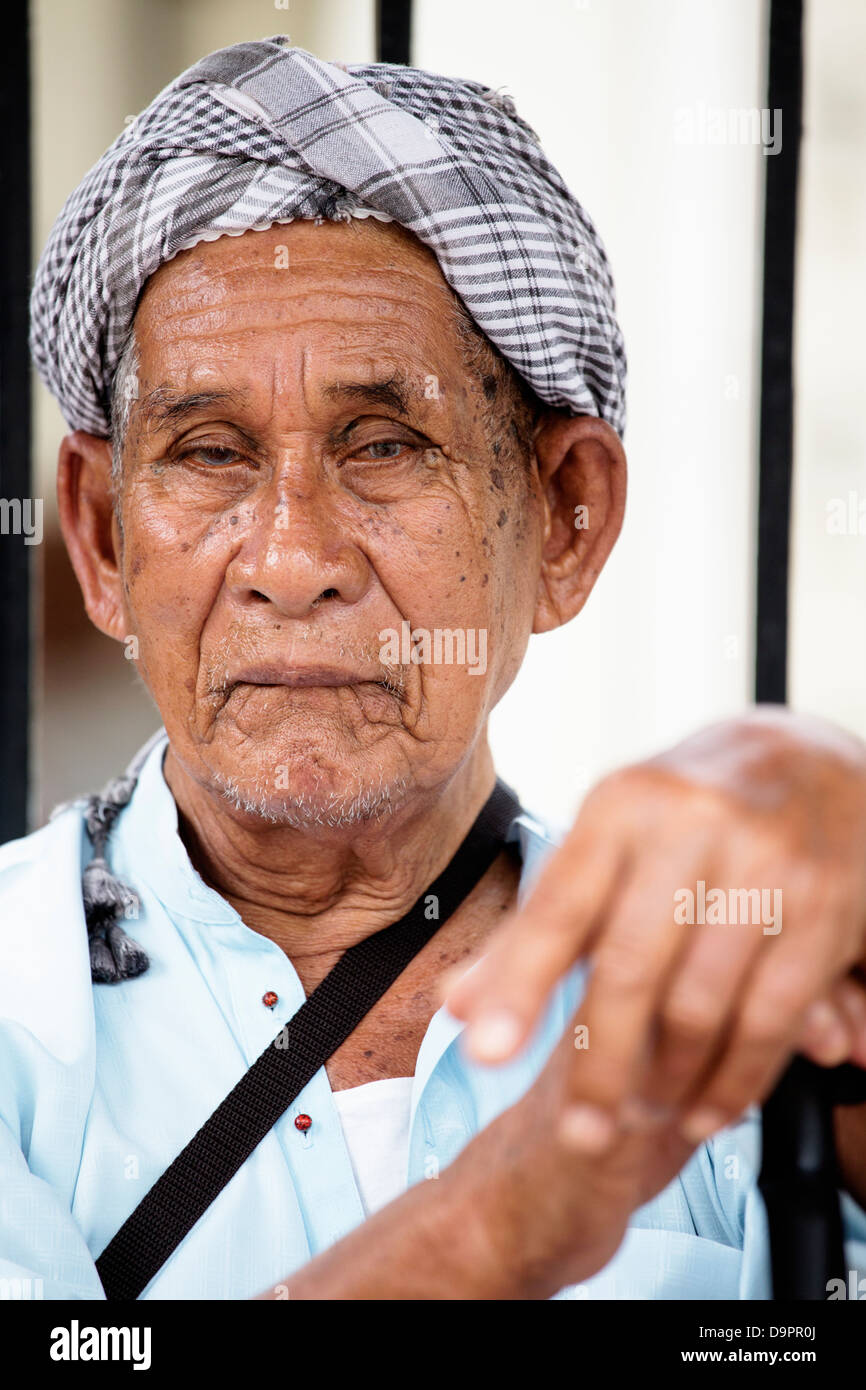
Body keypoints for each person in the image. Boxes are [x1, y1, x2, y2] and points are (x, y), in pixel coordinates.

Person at [6, 36, 866, 1300]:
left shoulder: (736, 983)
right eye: (208, 452)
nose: (290, 559)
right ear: (98, 536)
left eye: (386, 445)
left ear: (564, 518)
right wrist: (489, 1231)